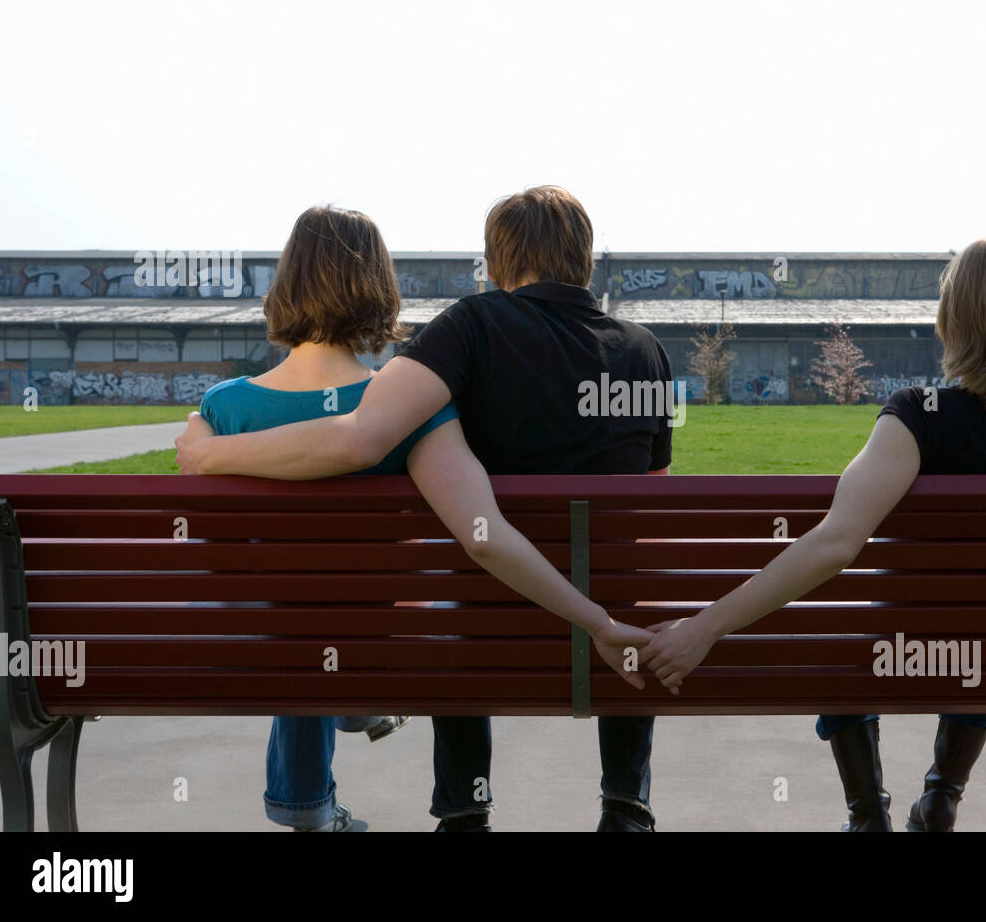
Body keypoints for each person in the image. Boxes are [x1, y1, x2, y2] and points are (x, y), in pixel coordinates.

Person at [177, 186, 675, 832]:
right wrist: (598, 619)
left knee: (450, 591)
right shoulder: (646, 350)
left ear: (497, 263)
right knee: (618, 576)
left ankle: (465, 806)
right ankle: (626, 799)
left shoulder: (472, 324)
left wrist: (212, 452)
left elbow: (359, 436)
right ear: (584, 259)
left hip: (486, 627)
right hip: (606, 630)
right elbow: (653, 496)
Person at [640, 231, 986, 832]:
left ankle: (865, 815)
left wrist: (705, 625)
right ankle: (943, 798)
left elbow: (836, 542)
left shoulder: (918, 415)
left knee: (834, 620)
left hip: (894, 652)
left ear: (955, 318)